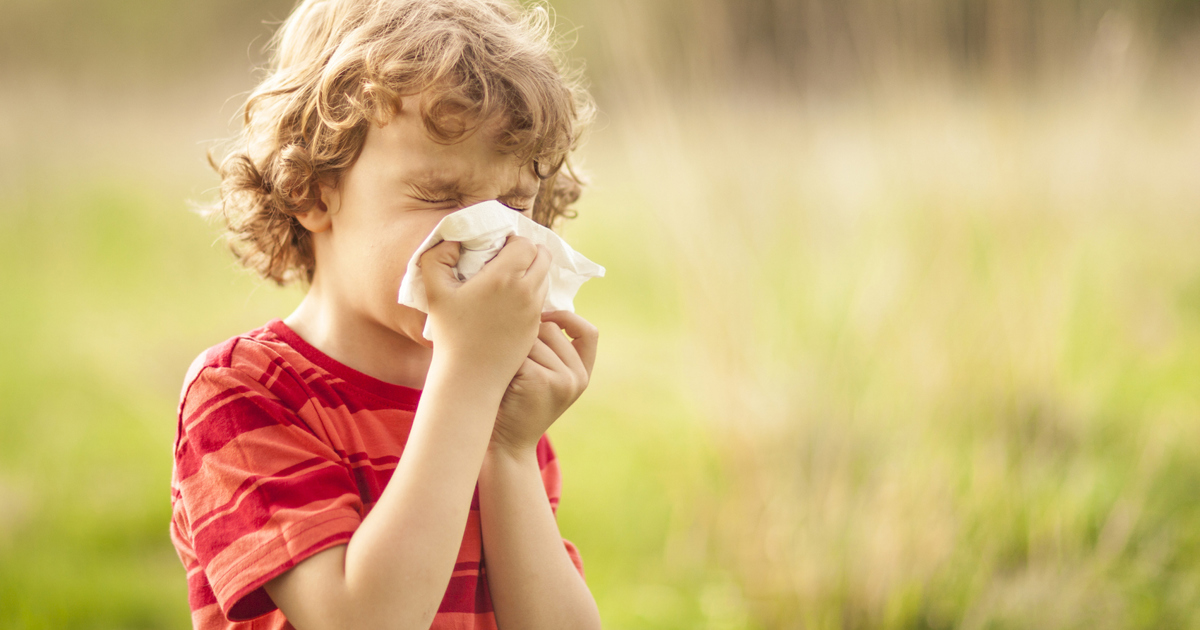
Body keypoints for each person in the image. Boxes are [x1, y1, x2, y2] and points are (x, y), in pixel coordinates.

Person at [168, 0, 602, 628]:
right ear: (312, 190)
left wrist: (509, 452)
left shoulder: (498, 406)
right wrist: (470, 381)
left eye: (513, 203)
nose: (486, 236)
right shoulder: (243, 396)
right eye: (440, 197)